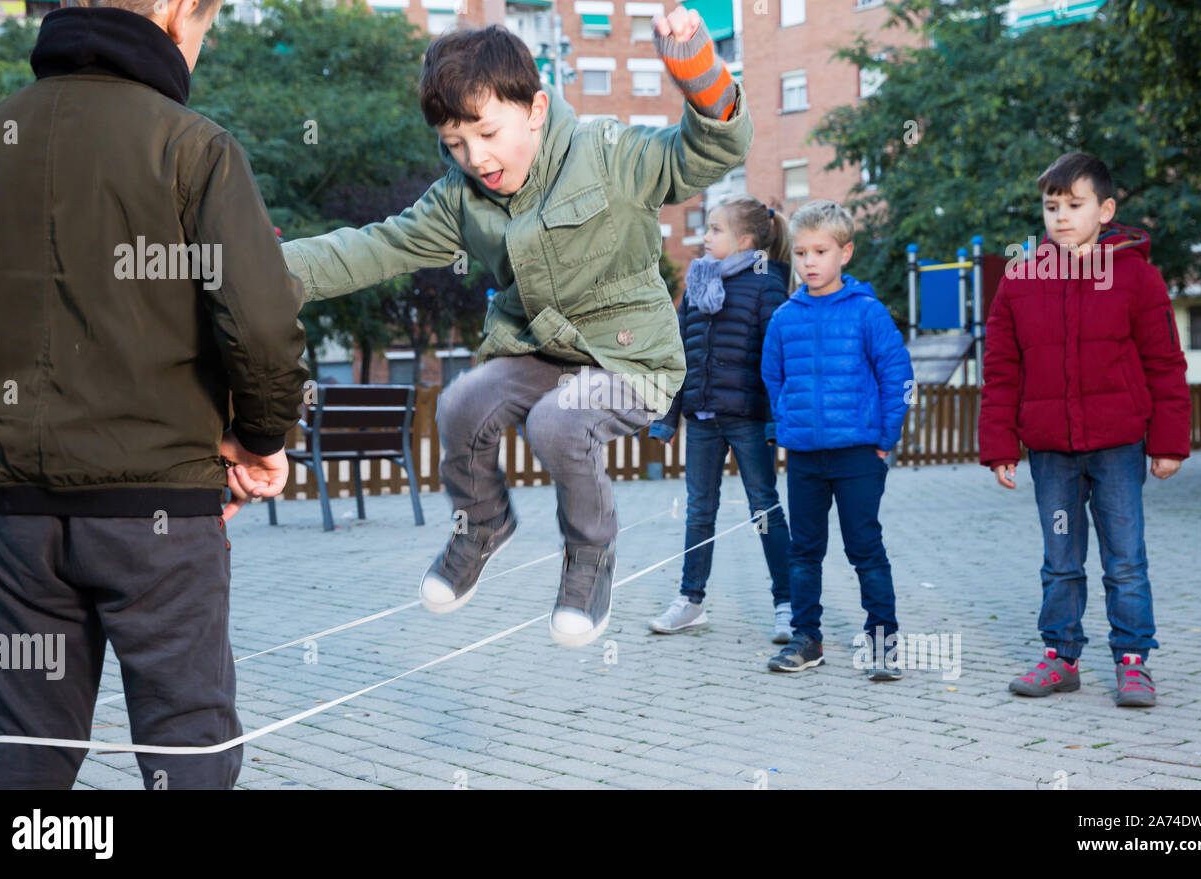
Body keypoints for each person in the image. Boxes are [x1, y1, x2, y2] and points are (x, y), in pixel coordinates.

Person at [281, 5, 752, 647]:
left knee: (557, 421)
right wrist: (259, 268)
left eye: (487, 133)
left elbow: (711, 149)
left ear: (533, 109)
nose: (475, 157)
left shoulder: (607, 153)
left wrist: (700, 72)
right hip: (541, 353)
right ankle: (483, 524)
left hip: (630, 362)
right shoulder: (460, 198)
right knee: (460, 403)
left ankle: (590, 554)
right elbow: (372, 248)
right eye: (455, 144)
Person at [0, 0, 307, 788]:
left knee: (24, 740)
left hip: (20, 517)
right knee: (186, 741)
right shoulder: (193, 147)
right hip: (159, 517)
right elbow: (260, 325)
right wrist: (260, 440)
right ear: (178, 11)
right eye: (204, 31)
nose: (199, 49)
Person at [980, 152, 1190, 708]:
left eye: (1075, 205)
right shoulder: (1019, 280)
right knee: (1060, 559)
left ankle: (1133, 661)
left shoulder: (1137, 277)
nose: (1062, 217)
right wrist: (1000, 443)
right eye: (1052, 207)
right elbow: (1001, 369)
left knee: (1124, 559)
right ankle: (1060, 657)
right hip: (1051, 451)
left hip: (1119, 445)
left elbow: (1165, 362)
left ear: (1106, 209)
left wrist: (1168, 442)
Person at [760, 201, 913, 677]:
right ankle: (807, 639)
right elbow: (773, 378)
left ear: (844, 253)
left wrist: (886, 436)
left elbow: (897, 375)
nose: (809, 262)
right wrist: (786, 424)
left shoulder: (868, 313)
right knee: (804, 551)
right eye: (802, 252)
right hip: (805, 456)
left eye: (820, 251)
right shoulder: (785, 317)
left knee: (864, 547)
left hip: (859, 455)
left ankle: (883, 640)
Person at [646, 195, 793, 641]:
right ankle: (691, 601)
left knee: (763, 508)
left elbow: (775, 359)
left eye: (714, 230)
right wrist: (668, 418)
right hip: (704, 418)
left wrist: (773, 421)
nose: (705, 237)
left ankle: (788, 602)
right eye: (706, 228)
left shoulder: (767, 283)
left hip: (748, 417)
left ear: (744, 240)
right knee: (699, 512)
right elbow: (679, 352)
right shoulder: (697, 281)